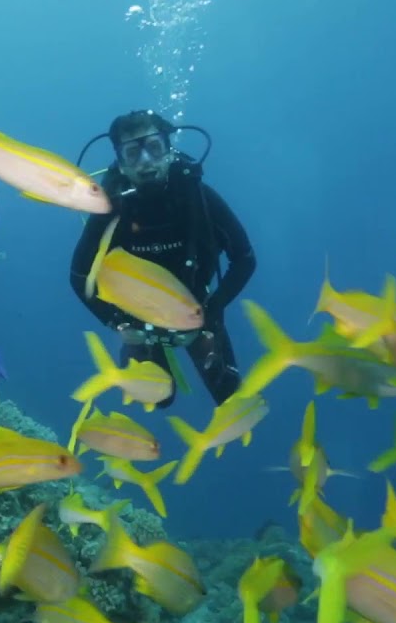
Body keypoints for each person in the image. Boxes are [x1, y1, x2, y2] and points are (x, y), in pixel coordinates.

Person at [69, 109, 256, 407]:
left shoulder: (199, 197)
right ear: (120, 162)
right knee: (159, 400)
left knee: (232, 398)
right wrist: (116, 322)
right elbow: (78, 276)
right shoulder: (111, 208)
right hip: (138, 318)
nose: (145, 162)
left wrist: (211, 310)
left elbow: (245, 258)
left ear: (169, 150)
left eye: (154, 148)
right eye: (132, 153)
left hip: (197, 311)